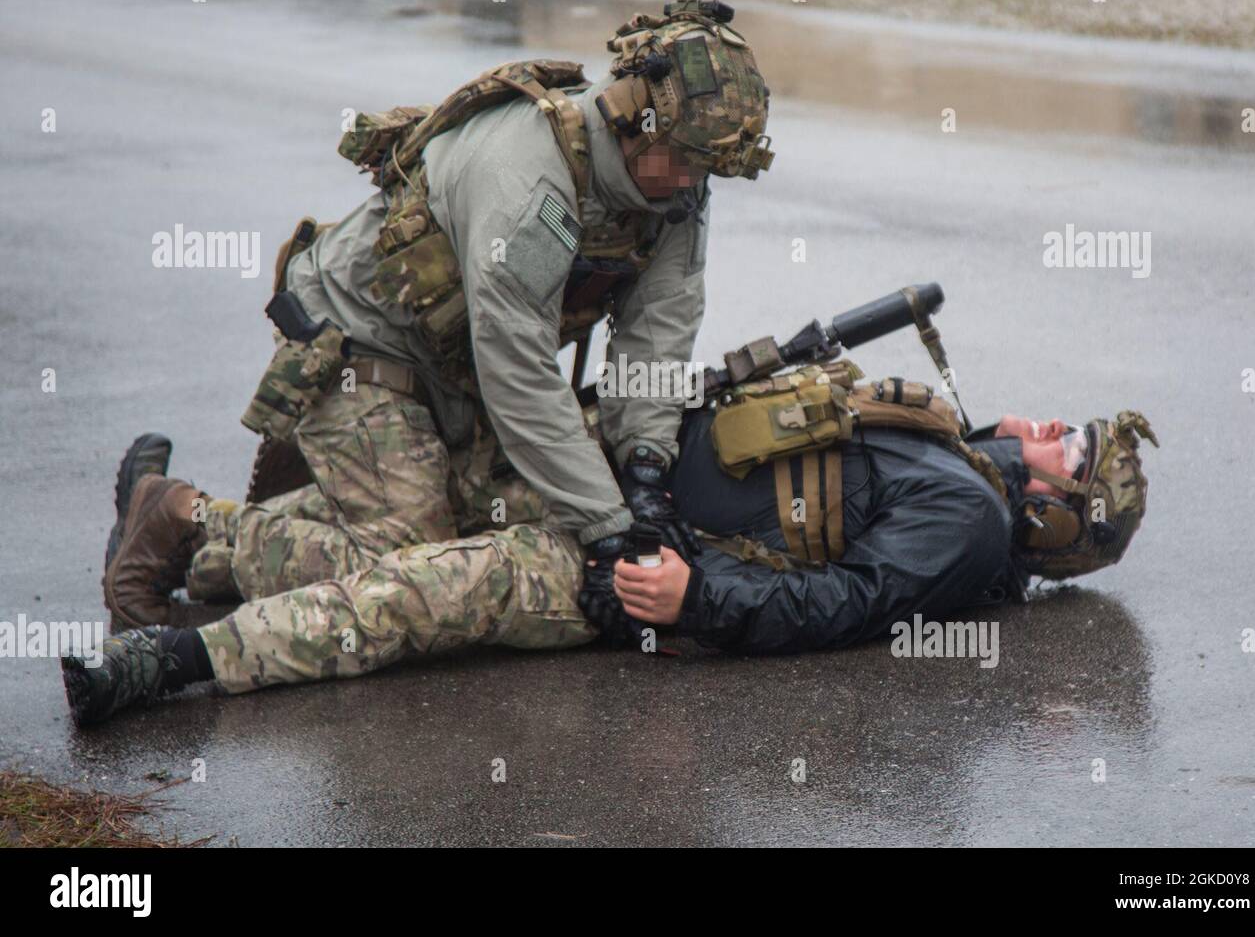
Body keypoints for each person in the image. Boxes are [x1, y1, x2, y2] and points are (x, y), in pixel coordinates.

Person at [101, 0, 774, 635]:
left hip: (457, 359)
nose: (695, 181)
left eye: (709, 168)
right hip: (359, 344)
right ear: (632, 118)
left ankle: (193, 536)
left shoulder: (675, 191)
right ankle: (177, 521)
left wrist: (647, 468)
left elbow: (657, 337)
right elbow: (520, 374)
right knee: (416, 561)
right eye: (685, 160)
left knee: (479, 524)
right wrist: (607, 525)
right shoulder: (532, 187)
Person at [64, 403, 1156, 725]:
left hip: (625, 557)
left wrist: (693, 595)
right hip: (610, 471)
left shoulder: (966, 518)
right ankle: (184, 527)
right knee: (384, 529)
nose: (1056, 421)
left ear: (1057, 509)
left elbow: (843, 603)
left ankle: (169, 660)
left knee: (400, 595)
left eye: (1072, 441)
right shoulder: (948, 438)